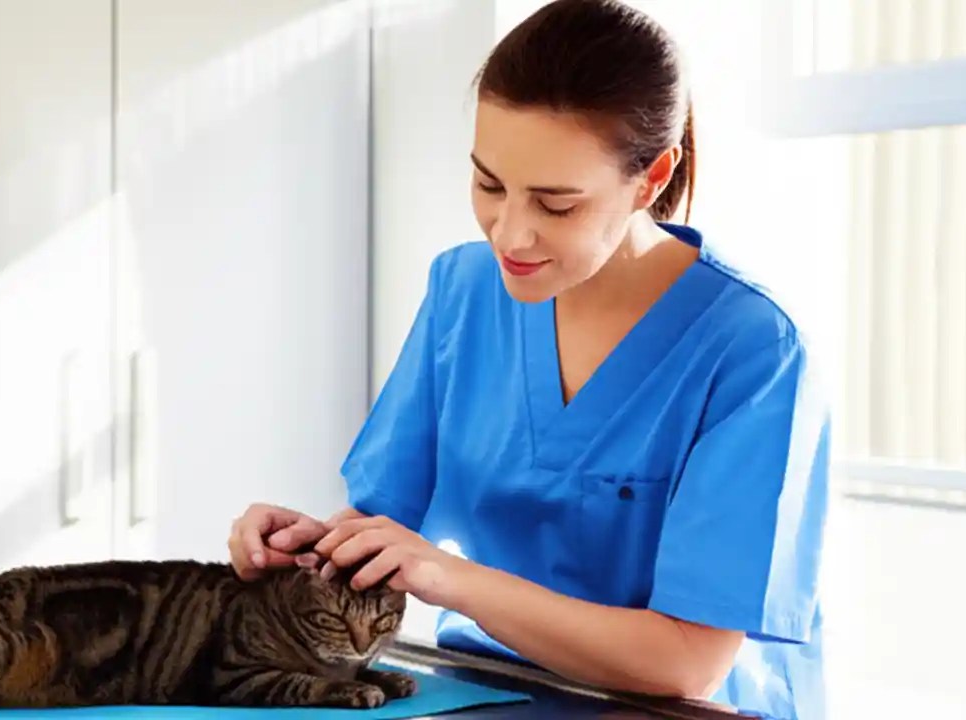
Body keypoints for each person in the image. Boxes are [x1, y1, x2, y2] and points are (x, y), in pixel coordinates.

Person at [228, 2, 829, 719]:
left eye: (557, 204)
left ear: (650, 178)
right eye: (489, 184)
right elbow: (382, 525)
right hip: (484, 694)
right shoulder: (462, 290)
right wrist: (312, 550)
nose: (509, 232)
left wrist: (455, 580)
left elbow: (687, 666)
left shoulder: (752, 347)